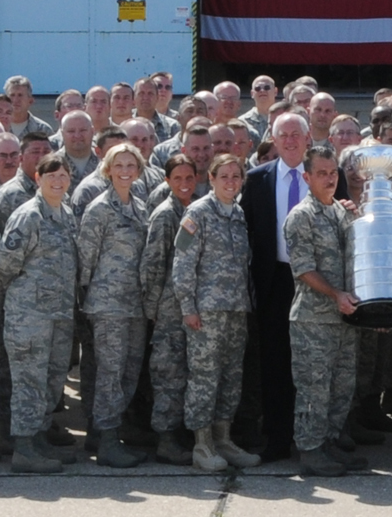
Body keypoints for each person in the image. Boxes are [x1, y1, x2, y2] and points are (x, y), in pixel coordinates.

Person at [0, 150, 83, 474]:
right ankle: (25, 446)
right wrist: (22, 300)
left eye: (63, 176)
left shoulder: (66, 213)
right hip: (29, 315)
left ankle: (40, 436)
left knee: (53, 378)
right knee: (29, 380)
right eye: (51, 176)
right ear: (38, 178)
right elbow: (4, 266)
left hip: (59, 314)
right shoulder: (29, 215)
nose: (58, 181)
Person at [174, 153, 261, 473]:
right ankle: (203, 443)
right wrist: (188, 309)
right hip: (205, 313)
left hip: (236, 310)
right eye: (223, 176)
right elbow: (182, 264)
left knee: (230, 377)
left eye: (236, 177)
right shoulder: (197, 213)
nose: (230, 182)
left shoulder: (237, 214)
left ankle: (223, 438)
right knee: (204, 378)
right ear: (210, 179)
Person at [75, 141, 153, 468]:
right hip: (107, 306)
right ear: (108, 169)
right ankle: (106, 440)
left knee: (129, 372)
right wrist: (86, 300)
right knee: (110, 372)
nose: (124, 171)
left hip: (135, 304)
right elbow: (85, 259)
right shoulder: (99, 209)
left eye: (130, 166)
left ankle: (111, 432)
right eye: (118, 165)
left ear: (138, 170)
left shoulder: (141, 206)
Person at [285, 144, 360, 477]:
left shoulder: (341, 212)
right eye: (322, 174)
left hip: (345, 318)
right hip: (314, 320)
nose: (329, 179)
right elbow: (302, 269)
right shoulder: (301, 216)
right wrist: (335, 294)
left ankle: (329, 442)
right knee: (315, 388)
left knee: (340, 386)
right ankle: (310, 449)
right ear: (306, 177)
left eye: (333, 173)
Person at [241, 110, 312, 462]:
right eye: (282, 134)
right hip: (275, 282)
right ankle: (278, 438)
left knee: (313, 363)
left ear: (307, 137)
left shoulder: (324, 174)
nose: (289, 140)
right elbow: (248, 233)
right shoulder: (256, 179)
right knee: (275, 364)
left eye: (296, 134)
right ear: (273, 137)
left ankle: (314, 437)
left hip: (316, 285)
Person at [141, 154, 202, 464]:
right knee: (168, 373)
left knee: (186, 373)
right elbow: (152, 266)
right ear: (167, 181)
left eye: (189, 178)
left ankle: (180, 433)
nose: (184, 184)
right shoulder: (166, 215)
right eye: (177, 179)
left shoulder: (195, 209)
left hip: (189, 306)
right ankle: (165, 438)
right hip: (168, 308)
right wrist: (153, 311)